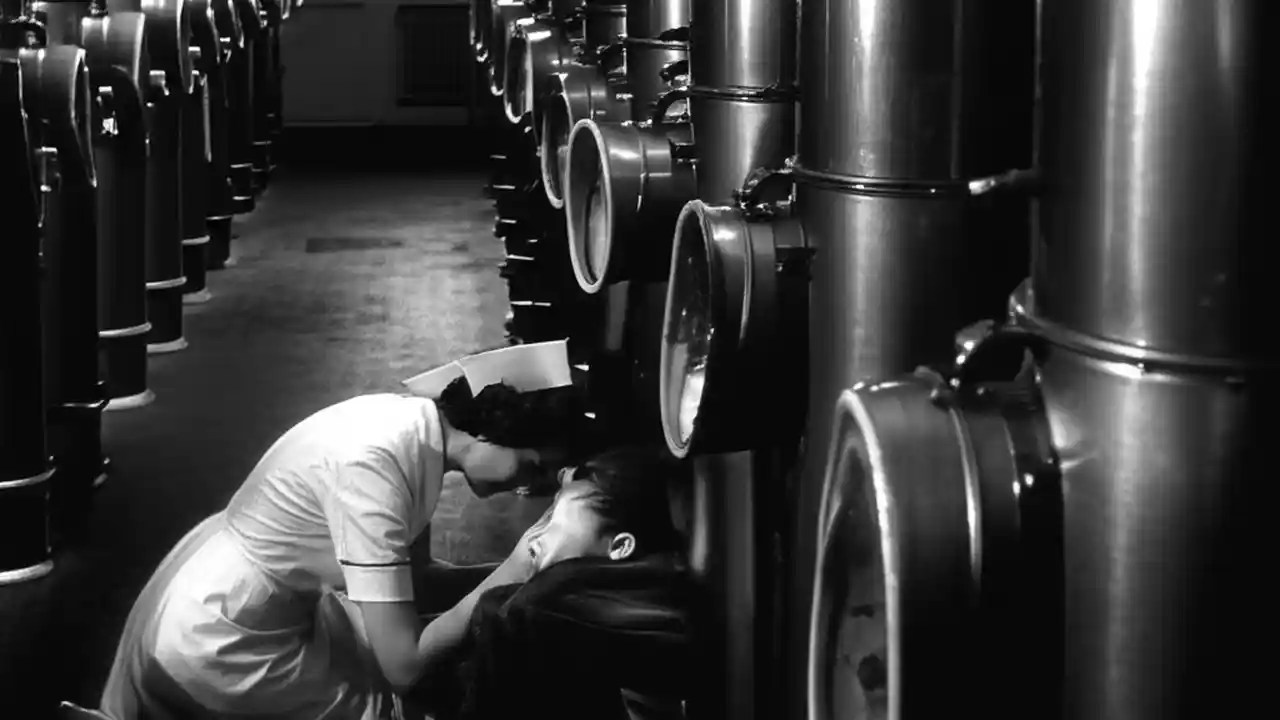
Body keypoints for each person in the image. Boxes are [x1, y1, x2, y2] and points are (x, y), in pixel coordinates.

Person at [96, 374, 593, 720]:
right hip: (226, 629)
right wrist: (522, 562)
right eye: (531, 466)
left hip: (235, 584)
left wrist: (532, 574)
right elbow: (405, 665)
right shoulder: (373, 473)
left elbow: (415, 585)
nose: (532, 486)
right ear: (491, 432)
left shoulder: (413, 428)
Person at [409, 446, 697, 720]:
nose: (535, 536)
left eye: (555, 522)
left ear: (620, 547)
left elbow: (414, 674)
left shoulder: (530, 613)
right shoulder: (650, 611)